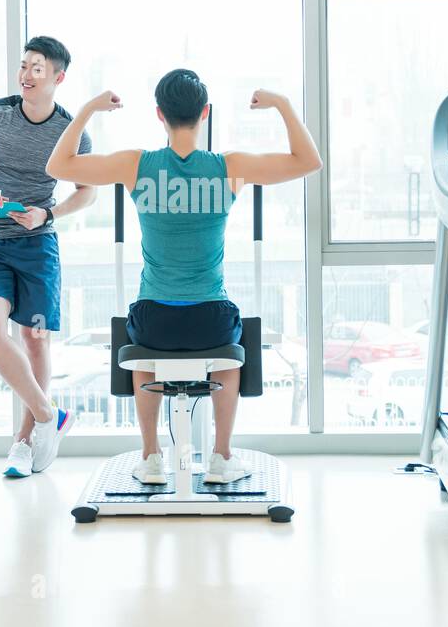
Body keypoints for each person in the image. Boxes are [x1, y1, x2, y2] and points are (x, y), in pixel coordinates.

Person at [46, 70, 321, 484]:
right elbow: (308, 161)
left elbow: (58, 165)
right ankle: (222, 456)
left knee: (139, 340)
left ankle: (151, 456)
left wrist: (88, 109)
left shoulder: (136, 165)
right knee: (233, 344)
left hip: (153, 319)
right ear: (205, 113)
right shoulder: (229, 168)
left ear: (160, 115)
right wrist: (282, 104)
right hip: (210, 320)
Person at [0, 36, 97, 478]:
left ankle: (24, 441)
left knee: (34, 339)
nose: (27, 74)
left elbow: (88, 194)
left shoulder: (71, 132)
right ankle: (50, 414)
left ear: (58, 78)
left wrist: (47, 214)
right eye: (23, 65)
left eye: (38, 68)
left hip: (37, 246)